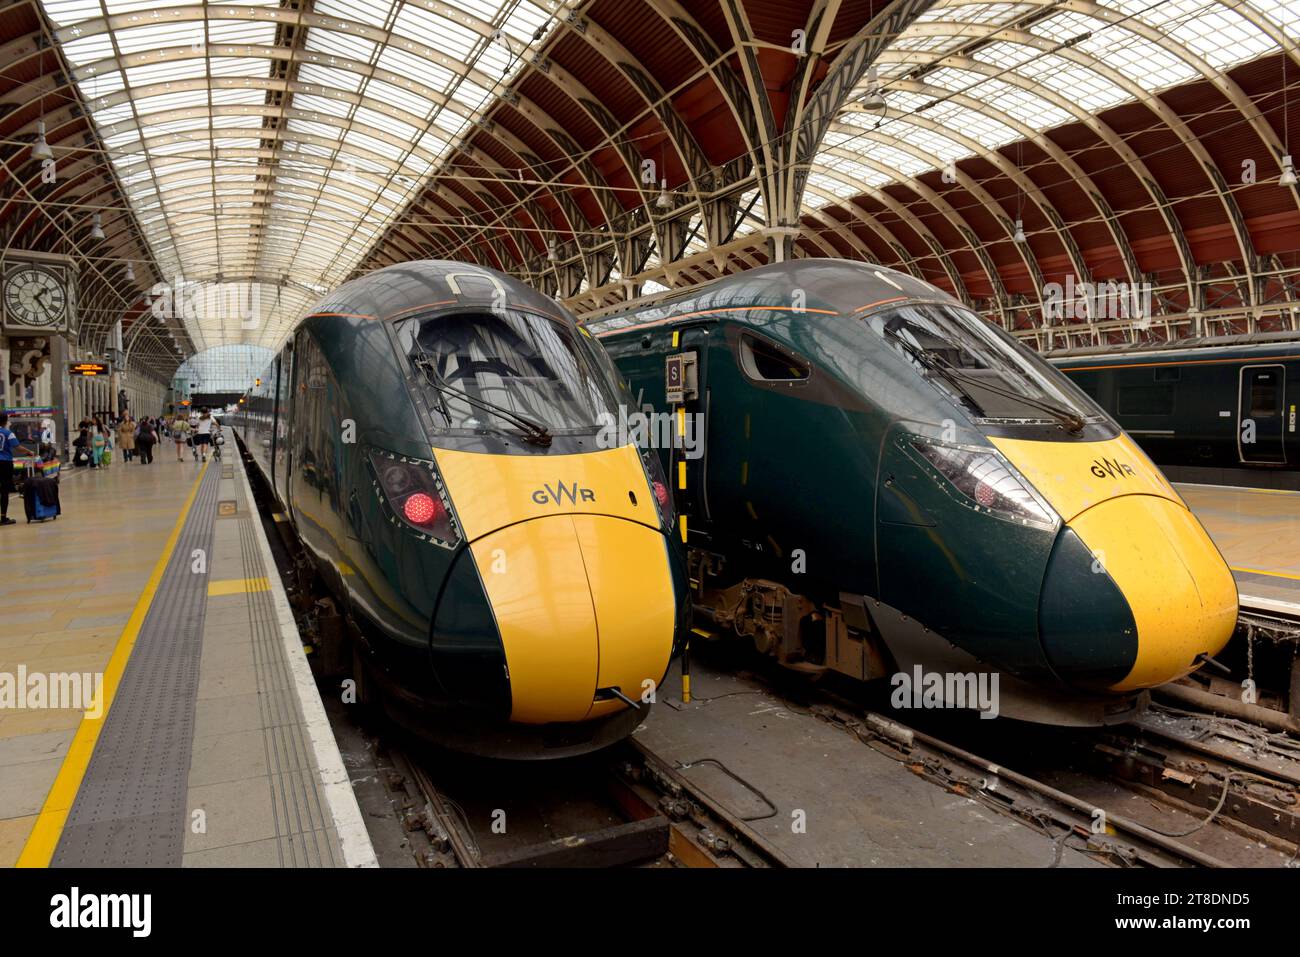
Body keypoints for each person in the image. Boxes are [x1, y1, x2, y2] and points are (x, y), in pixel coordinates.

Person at [0, 412, 34, 526]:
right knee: (4, 490)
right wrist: (29, 452)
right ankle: (3, 517)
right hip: (5, 463)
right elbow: (18, 447)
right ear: (5, 421)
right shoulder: (8, 433)